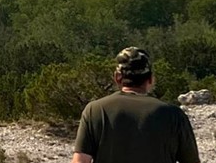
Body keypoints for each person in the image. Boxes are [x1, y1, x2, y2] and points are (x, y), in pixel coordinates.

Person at [71, 47, 199, 163]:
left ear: (117, 77)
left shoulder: (95, 110)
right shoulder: (173, 114)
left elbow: (80, 161)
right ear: (150, 79)